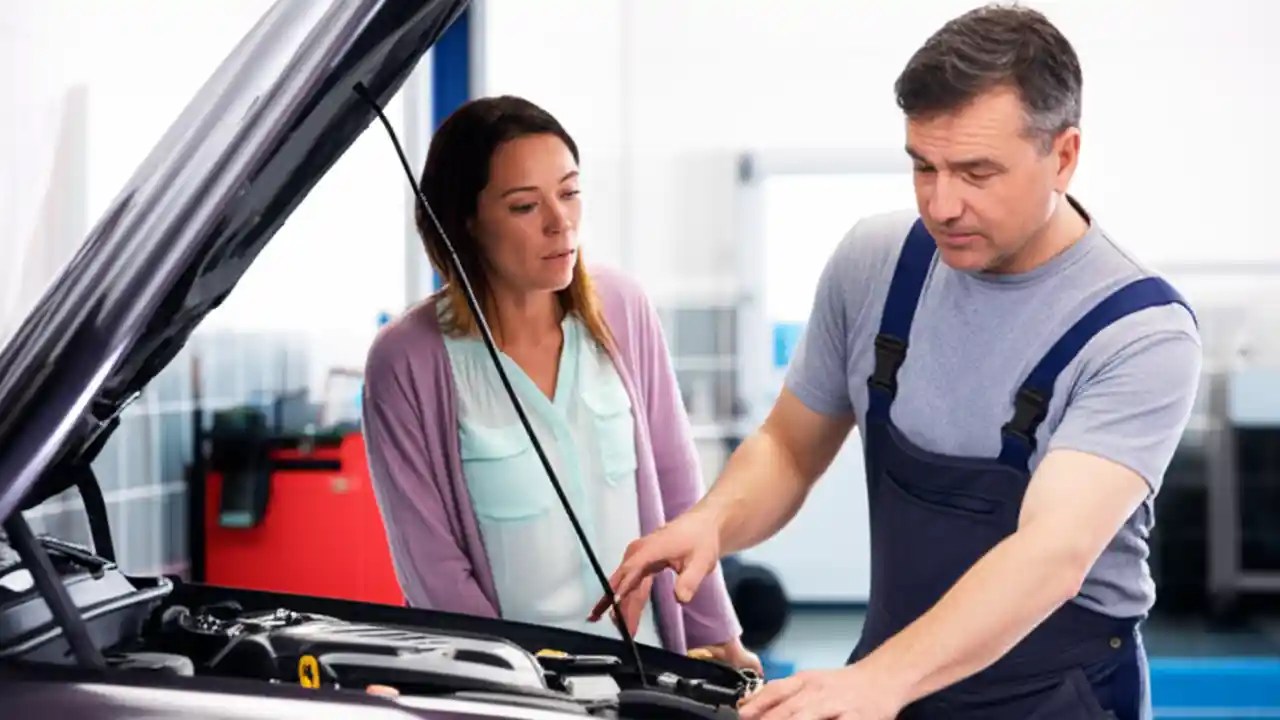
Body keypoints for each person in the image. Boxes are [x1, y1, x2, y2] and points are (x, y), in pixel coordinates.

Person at [591, 6, 1201, 719]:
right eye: (923, 166)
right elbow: (789, 446)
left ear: (1063, 155)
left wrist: (880, 682)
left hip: (1056, 697)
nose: (943, 204)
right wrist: (713, 522)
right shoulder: (876, 264)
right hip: (891, 677)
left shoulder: (1139, 332)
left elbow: (1051, 554)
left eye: (977, 172)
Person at [360, 94, 760, 673]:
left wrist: (716, 635)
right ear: (464, 222)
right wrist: (512, 687)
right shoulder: (407, 360)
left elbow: (677, 486)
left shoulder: (622, 306)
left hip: (650, 668)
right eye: (525, 206)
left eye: (570, 192)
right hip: (515, 687)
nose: (560, 221)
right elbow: (433, 568)